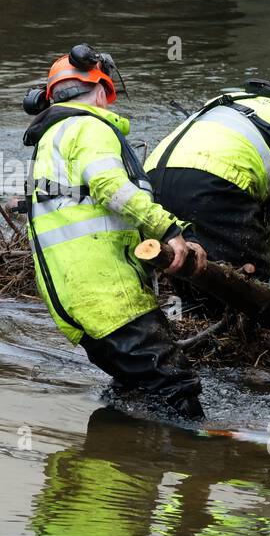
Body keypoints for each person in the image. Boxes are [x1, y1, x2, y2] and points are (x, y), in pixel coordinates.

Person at [22, 44, 207, 420]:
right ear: (104, 90)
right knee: (176, 386)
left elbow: (101, 211)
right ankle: (201, 461)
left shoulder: (55, 138)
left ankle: (116, 458)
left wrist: (177, 238)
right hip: (107, 295)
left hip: (76, 301)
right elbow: (110, 188)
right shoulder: (89, 127)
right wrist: (169, 229)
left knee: (133, 389)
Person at [147, 79, 270, 280]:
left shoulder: (228, 101)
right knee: (253, 280)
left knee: (191, 267)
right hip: (213, 185)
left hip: (152, 181)